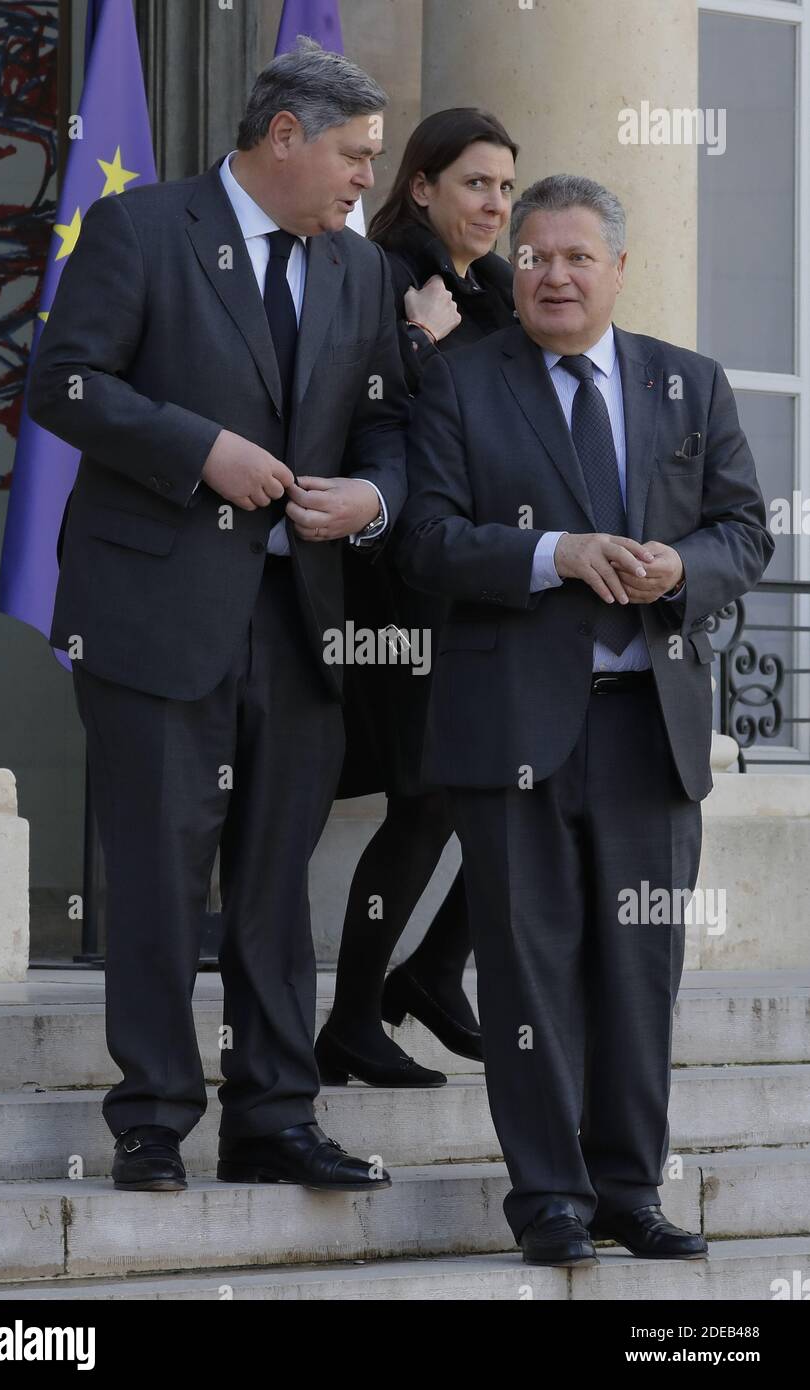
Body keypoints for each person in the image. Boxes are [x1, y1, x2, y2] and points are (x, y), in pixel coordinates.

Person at [26, 39, 409, 1194]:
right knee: (152, 872)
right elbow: (66, 383)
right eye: (354, 156)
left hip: (298, 618)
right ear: (284, 135)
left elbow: (389, 417)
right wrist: (200, 451)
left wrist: (373, 494)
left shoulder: (358, 270)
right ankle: (150, 1121)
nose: (365, 184)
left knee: (274, 882)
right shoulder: (142, 231)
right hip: (154, 609)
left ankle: (273, 1117)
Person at [393, 174, 774, 1264]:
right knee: (523, 968)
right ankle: (548, 1200)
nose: (551, 275)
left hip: (648, 733)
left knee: (636, 970)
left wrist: (677, 569)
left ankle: (627, 1191)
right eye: (535, 256)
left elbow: (742, 532)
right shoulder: (461, 385)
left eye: (573, 257)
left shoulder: (686, 385)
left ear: (616, 268)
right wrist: (551, 555)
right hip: (512, 726)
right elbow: (420, 539)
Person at [316, 110, 518, 1088]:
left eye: (506, 188)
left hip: (476, 585)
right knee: (429, 794)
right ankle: (364, 1009)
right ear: (423, 184)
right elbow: (357, 409)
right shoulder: (381, 274)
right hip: (396, 590)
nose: (494, 204)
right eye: (475, 183)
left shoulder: (493, 289)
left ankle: (428, 971)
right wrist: (416, 344)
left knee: (500, 785)